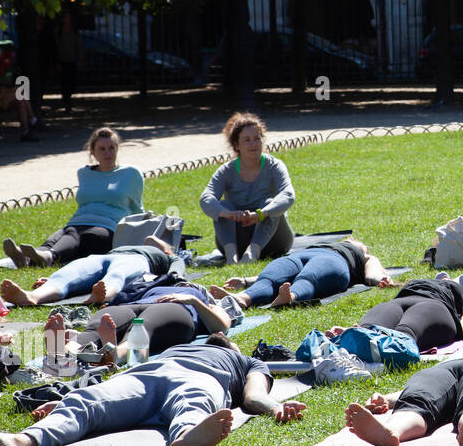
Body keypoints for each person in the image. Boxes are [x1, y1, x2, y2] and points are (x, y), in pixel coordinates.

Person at [0, 334, 306, 446]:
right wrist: (67, 398)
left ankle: (186, 438)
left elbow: (252, 396)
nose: (219, 337)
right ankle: (16, 443)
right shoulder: (177, 346)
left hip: (199, 378)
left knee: (193, 404)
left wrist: (276, 407)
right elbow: (112, 378)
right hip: (144, 375)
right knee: (86, 402)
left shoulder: (247, 360)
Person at [1, 127, 144, 269]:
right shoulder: (84, 173)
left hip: (107, 228)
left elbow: (137, 208)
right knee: (57, 238)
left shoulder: (130, 174)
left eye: (111, 148)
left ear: (117, 149)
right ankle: (27, 259)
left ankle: (49, 257)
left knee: (77, 235)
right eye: (102, 149)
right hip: (77, 222)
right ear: (92, 152)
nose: (108, 153)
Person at [42, 280, 233, 367]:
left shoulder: (200, 298)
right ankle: (64, 351)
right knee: (100, 322)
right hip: (135, 304)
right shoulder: (152, 286)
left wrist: (193, 300)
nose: (183, 284)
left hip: (176, 310)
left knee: (143, 328)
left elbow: (221, 327)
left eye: (188, 284)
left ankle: (115, 354)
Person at [199, 112, 296, 264]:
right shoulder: (226, 170)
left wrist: (261, 214)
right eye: (247, 140)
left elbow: (288, 195)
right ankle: (232, 256)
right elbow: (206, 198)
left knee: (269, 202)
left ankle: (253, 252)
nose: (254, 144)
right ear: (237, 145)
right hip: (238, 241)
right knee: (222, 205)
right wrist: (228, 214)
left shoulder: (274, 166)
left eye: (257, 139)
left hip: (275, 242)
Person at [211, 237, 392, 309]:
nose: (351, 239)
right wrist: (245, 280)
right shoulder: (323, 243)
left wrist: (381, 279)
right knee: (270, 278)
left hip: (334, 261)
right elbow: (277, 276)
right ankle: (242, 298)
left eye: (354, 240)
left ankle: (290, 297)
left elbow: (371, 275)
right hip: (300, 256)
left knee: (308, 279)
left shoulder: (363, 256)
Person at [0, 237, 178, 308]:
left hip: (136, 261)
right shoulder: (136, 244)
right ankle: (32, 296)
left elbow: (177, 275)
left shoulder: (170, 257)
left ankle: (102, 296)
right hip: (103, 257)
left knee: (117, 275)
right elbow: (149, 238)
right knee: (66, 275)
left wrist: (169, 254)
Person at [329, 276, 463, 353]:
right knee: (366, 330)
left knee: (403, 336)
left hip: (434, 306)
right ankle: (348, 340)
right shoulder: (420, 282)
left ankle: (371, 352)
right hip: (399, 303)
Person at [55, 11, 82, 114]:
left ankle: (68, 100)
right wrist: (57, 62)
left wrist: (79, 57)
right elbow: (56, 47)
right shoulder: (58, 31)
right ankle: (66, 102)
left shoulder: (74, 31)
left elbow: (78, 45)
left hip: (72, 60)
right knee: (64, 83)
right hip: (62, 61)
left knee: (72, 82)